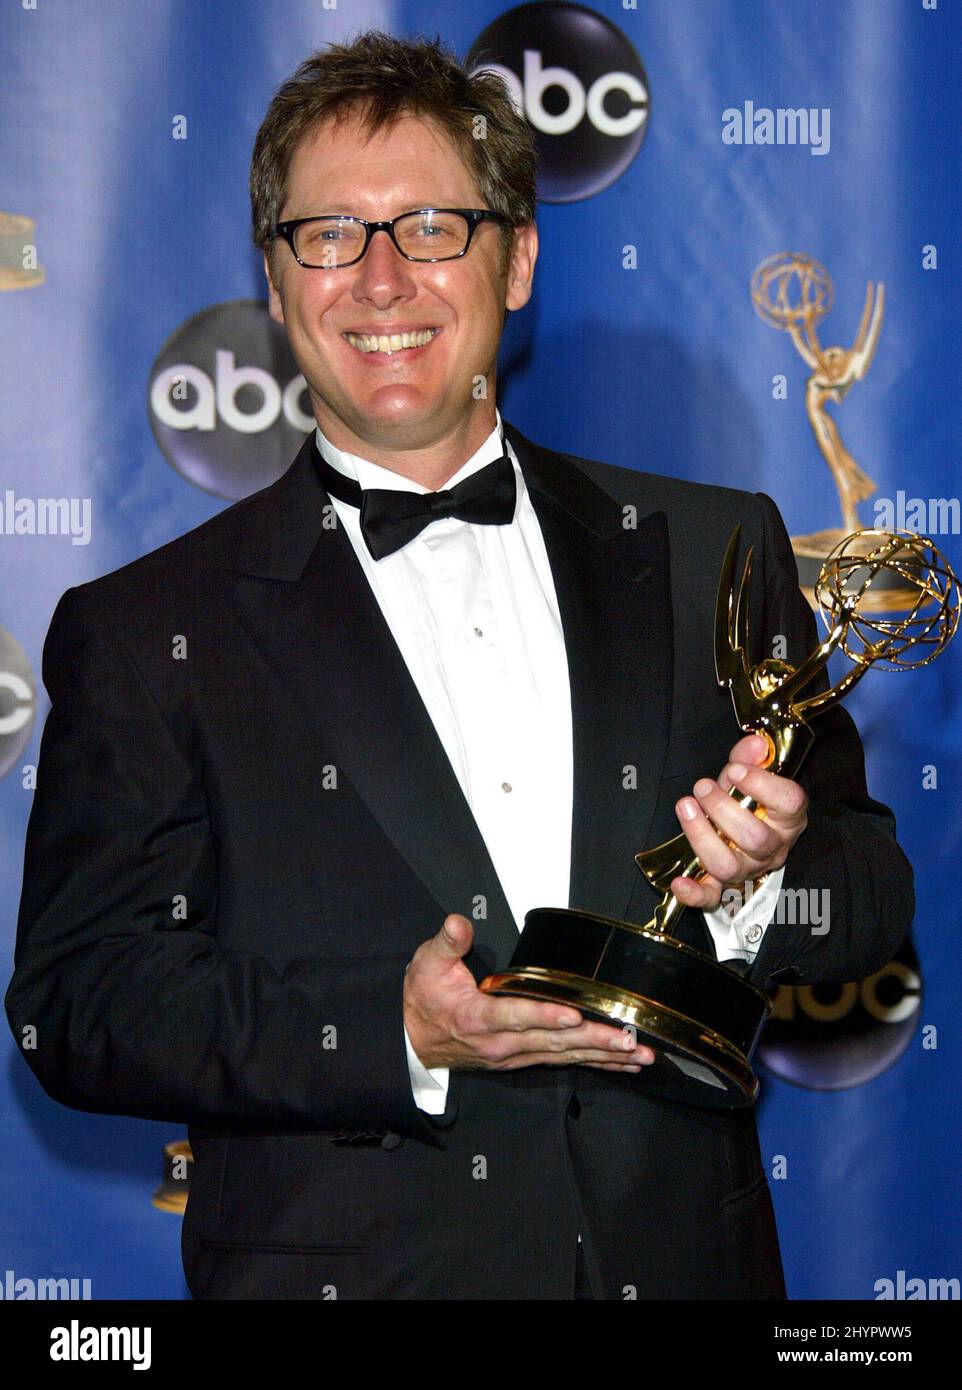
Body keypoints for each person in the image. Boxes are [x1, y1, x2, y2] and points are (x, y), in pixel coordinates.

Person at [5, 31, 913, 1300]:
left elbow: (863, 903)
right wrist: (393, 1027)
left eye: (431, 226)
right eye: (328, 234)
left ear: (518, 257)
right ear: (276, 283)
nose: (380, 280)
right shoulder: (149, 629)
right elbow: (78, 1004)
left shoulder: (715, 548)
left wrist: (759, 889)